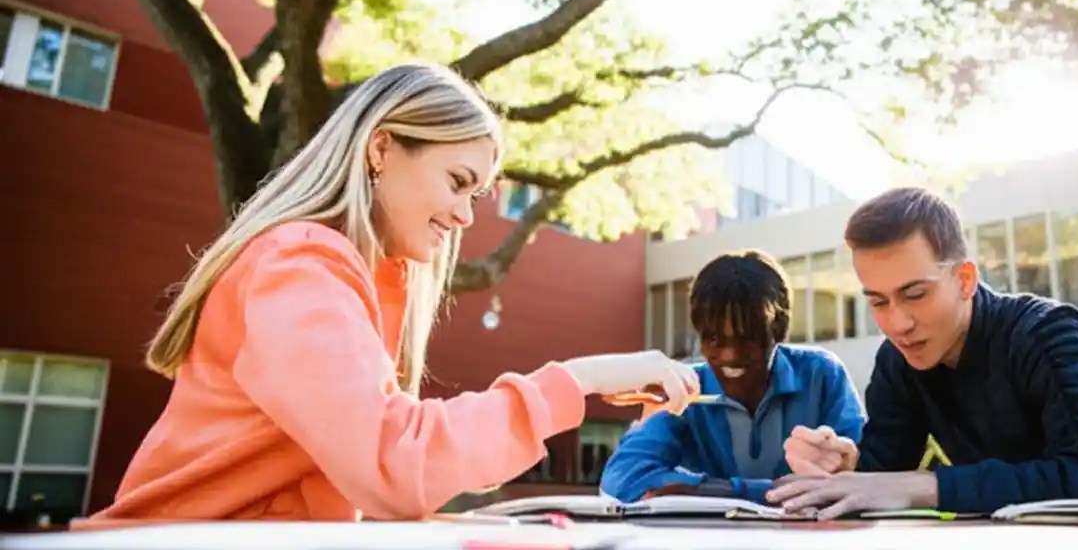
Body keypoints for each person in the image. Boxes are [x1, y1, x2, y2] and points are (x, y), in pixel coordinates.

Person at [86, 64, 699, 523]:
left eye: (477, 197)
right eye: (458, 183)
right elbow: (395, 463)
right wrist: (579, 379)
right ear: (381, 147)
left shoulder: (356, 274)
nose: (465, 216)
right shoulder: (298, 268)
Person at [770, 187, 1078, 519]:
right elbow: (884, 477)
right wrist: (849, 466)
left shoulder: (1048, 333)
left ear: (964, 280)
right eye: (878, 302)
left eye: (916, 294)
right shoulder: (897, 361)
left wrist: (926, 486)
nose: (898, 323)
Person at [600, 250, 866, 504]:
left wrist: (848, 463)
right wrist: (778, 490)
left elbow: (868, 473)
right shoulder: (683, 388)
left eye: (748, 338)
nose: (730, 355)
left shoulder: (822, 374)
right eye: (714, 338)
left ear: (778, 331)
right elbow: (621, 481)